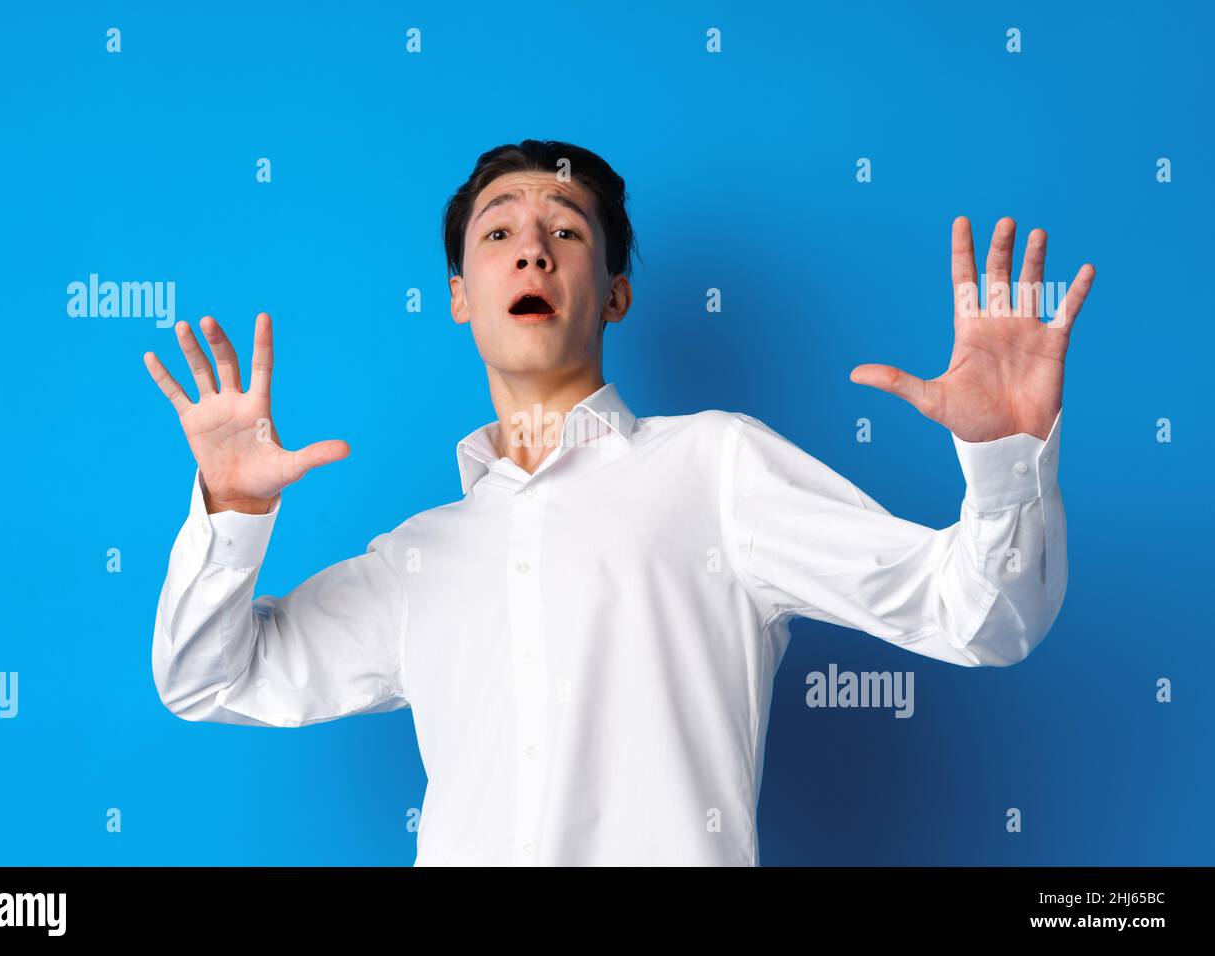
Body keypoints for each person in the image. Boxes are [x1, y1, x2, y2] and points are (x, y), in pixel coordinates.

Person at [143, 139, 1095, 866]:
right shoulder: (416, 559)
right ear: (459, 297)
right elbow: (209, 681)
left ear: (615, 294)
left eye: (565, 231)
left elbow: (979, 620)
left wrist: (1004, 455)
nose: (531, 252)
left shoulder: (718, 468)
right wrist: (229, 510)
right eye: (498, 233)